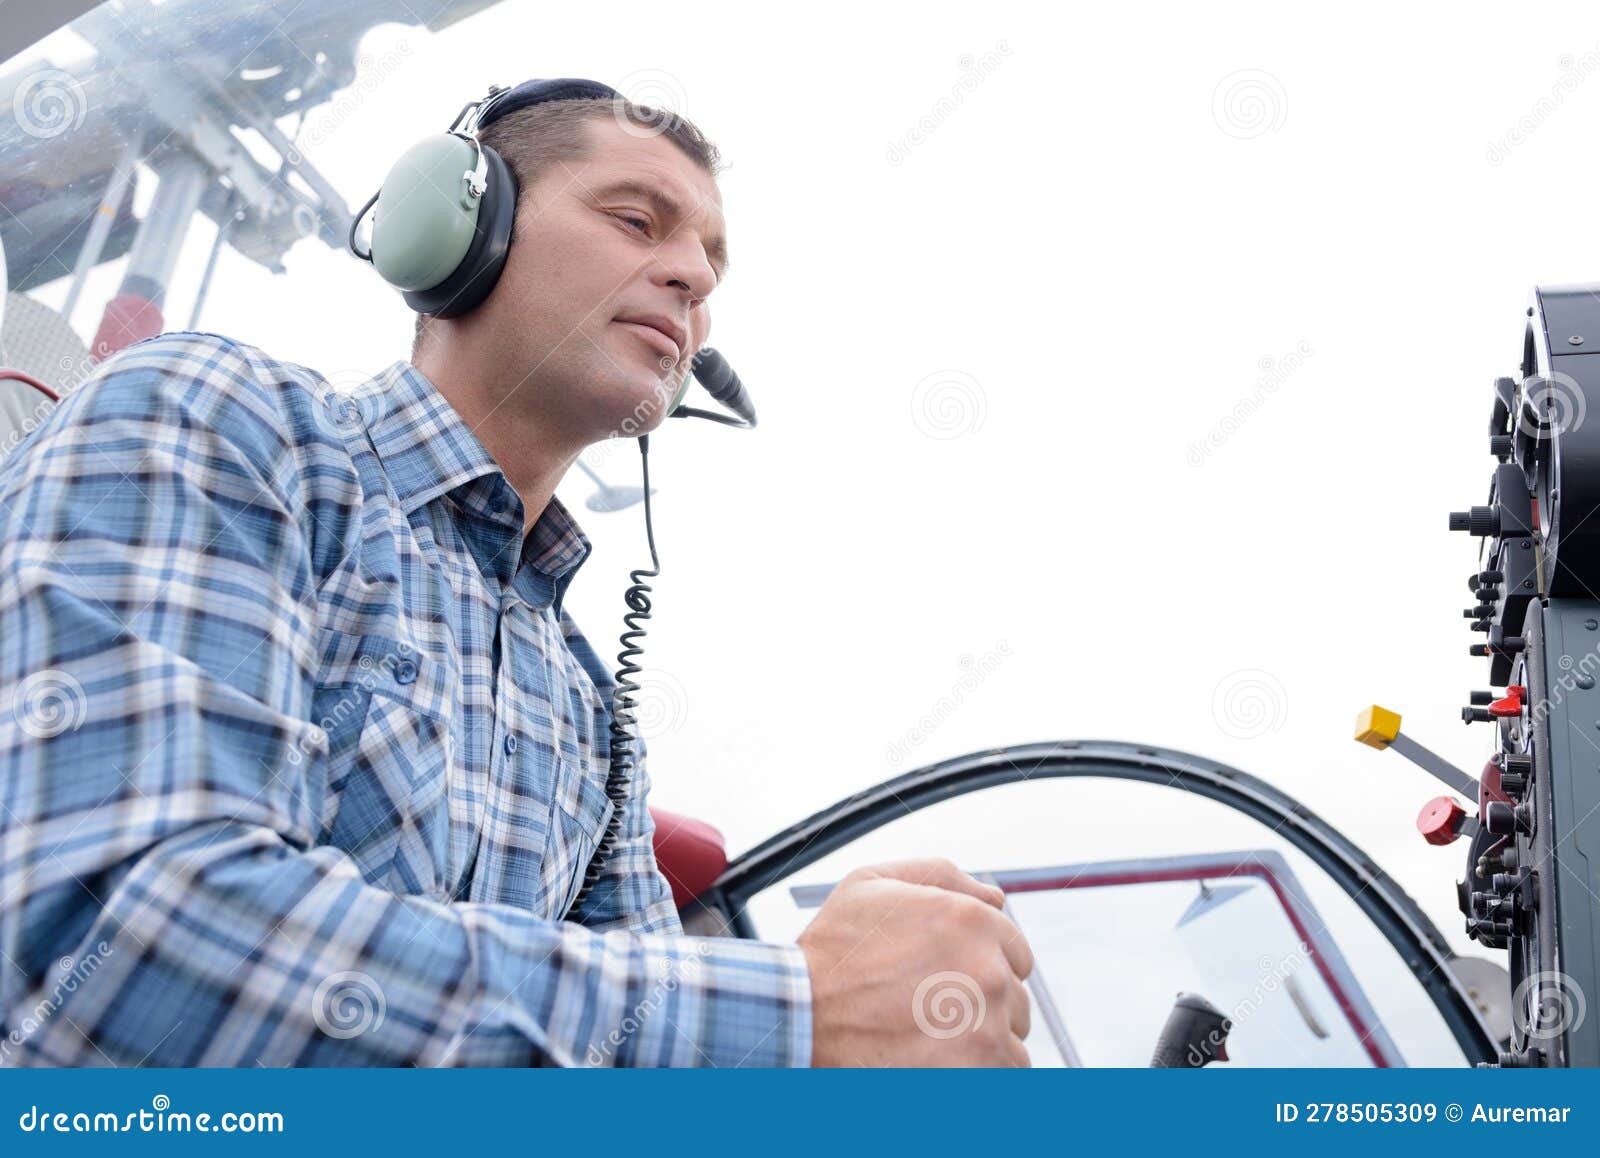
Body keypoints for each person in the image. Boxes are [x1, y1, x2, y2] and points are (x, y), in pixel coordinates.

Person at [0, 80, 1033, 1067]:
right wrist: (797, 1015)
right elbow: (114, 945)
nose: (693, 278)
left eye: (710, 264)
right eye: (638, 221)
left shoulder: (588, 712)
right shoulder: (219, 416)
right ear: (457, 228)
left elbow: (632, 1056)